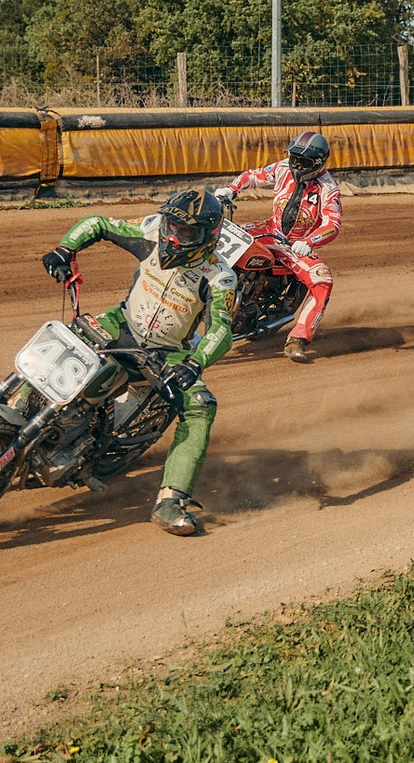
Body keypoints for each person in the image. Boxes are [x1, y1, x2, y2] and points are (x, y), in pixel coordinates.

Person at [40, 189, 238, 536]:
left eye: (186, 232)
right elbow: (98, 222)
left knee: (201, 406)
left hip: (168, 352)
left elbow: (221, 329)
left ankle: (171, 499)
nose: (173, 236)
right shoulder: (149, 231)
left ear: (209, 236)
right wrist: (65, 248)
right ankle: (21, 411)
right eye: (171, 225)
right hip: (121, 323)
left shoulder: (219, 276)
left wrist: (195, 363)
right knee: (65, 343)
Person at [214, 131, 341, 365]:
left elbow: (332, 223)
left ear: (317, 163)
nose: (296, 164)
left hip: (294, 245)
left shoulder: (327, 188)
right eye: (294, 158)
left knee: (323, 280)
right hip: (269, 228)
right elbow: (253, 176)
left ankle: (298, 339)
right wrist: (230, 190)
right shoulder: (283, 167)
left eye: (302, 161)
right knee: (216, 234)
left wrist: (309, 241)